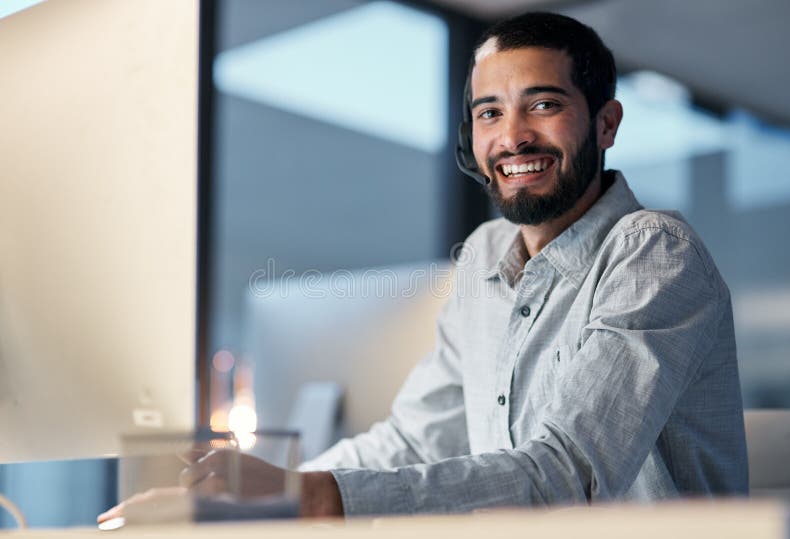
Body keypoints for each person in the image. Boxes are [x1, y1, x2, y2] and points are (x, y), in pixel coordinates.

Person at [98, 11, 748, 523]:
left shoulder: (653, 253)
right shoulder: (485, 260)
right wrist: (254, 496)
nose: (513, 135)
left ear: (606, 124)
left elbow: (566, 472)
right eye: (489, 112)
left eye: (543, 105)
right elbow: (413, 439)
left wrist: (310, 498)